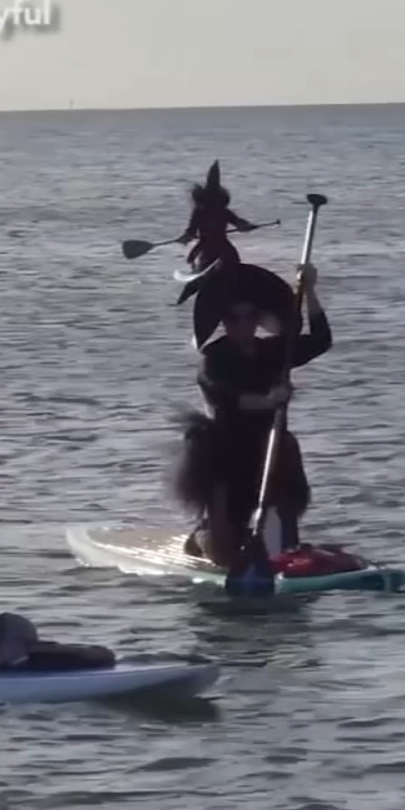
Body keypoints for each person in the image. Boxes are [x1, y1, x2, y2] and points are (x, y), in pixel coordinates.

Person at [170, 260, 332, 569]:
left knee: (285, 461)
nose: (242, 324)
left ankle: (282, 543)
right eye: (234, 317)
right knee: (224, 556)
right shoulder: (214, 359)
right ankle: (201, 537)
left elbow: (321, 340)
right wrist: (269, 399)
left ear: (257, 318)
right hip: (225, 457)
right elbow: (227, 398)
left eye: (249, 316)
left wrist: (310, 290)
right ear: (225, 321)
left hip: (268, 448)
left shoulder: (274, 351)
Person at [173, 161, 260, 312]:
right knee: (201, 278)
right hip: (209, 248)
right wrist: (185, 237)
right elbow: (191, 232)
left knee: (233, 270)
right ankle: (180, 303)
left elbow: (239, 223)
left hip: (221, 247)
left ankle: (236, 299)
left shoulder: (221, 211)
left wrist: (248, 226)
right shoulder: (201, 212)